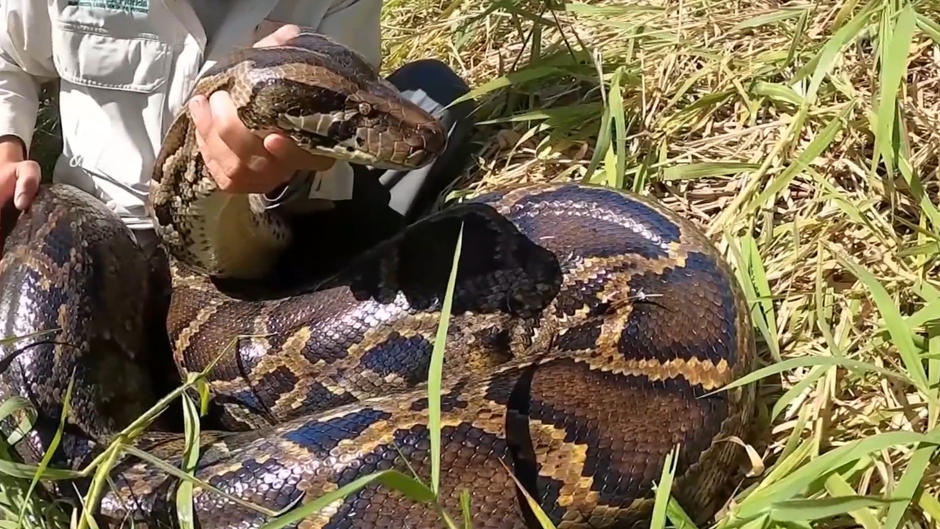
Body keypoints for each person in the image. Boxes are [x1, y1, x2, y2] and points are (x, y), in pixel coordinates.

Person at [0, 0, 475, 268]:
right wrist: (7, 144)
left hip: (275, 217)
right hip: (108, 229)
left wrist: (281, 179)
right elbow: (7, 54)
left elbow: (358, 88)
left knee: (437, 98)